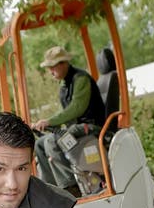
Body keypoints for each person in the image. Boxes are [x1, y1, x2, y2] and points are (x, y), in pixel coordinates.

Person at [31, 45, 105, 195]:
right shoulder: (65, 83)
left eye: (52, 66)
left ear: (63, 63)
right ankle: (50, 189)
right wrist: (44, 123)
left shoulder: (81, 79)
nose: (50, 71)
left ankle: (70, 189)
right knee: (40, 144)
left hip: (90, 126)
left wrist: (50, 122)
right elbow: (65, 112)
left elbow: (76, 108)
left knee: (52, 141)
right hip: (77, 128)